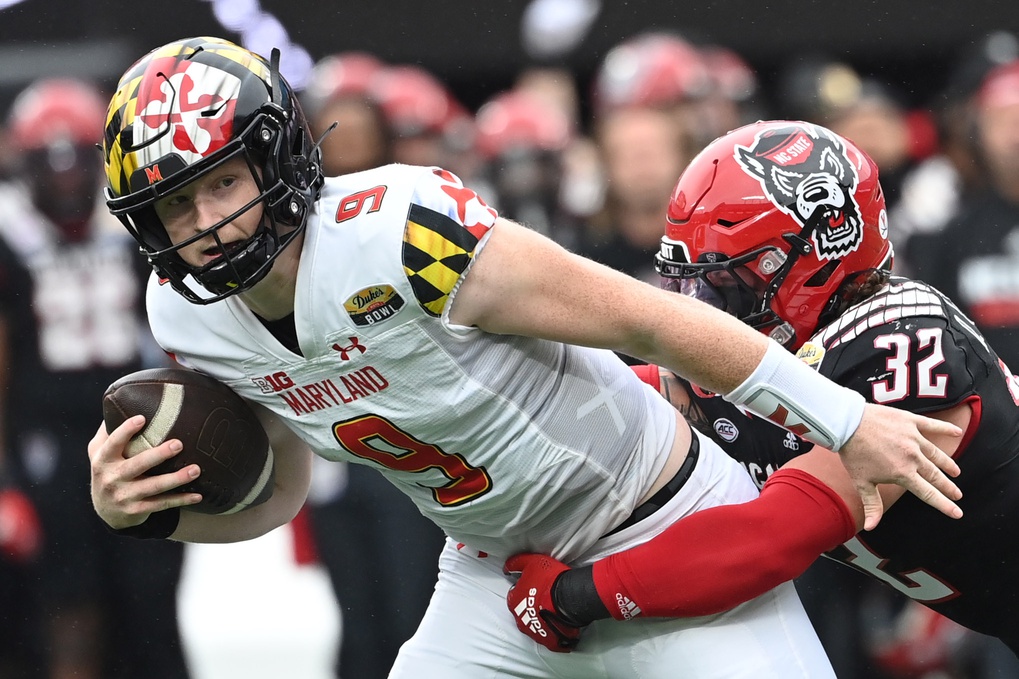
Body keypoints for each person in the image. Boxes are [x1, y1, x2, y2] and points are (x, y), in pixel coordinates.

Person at [89, 38, 963, 679]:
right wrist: (147, 508)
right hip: (492, 575)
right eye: (175, 206)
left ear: (275, 153)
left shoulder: (397, 232)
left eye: (223, 184)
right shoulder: (189, 318)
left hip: (662, 519)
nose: (205, 224)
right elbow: (274, 491)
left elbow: (649, 322)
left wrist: (844, 421)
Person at [503, 121, 1019, 669]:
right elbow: (628, 395)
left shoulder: (903, 344)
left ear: (812, 260)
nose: (696, 308)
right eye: (685, 285)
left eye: (721, 287)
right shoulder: (798, 359)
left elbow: (770, 540)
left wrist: (574, 597)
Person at [1, 77, 189, 679]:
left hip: (137, 428)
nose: (64, 178)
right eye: (47, 163)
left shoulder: (139, 219)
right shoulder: (9, 232)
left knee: (151, 604)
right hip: (47, 438)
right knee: (65, 605)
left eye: (77, 160)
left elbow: (185, 335)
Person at [301, 53, 447, 679]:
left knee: (412, 613)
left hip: (419, 437)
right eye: (337, 129)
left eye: (360, 128)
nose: (348, 143)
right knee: (356, 619)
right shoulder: (290, 227)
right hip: (337, 445)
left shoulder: (419, 209)